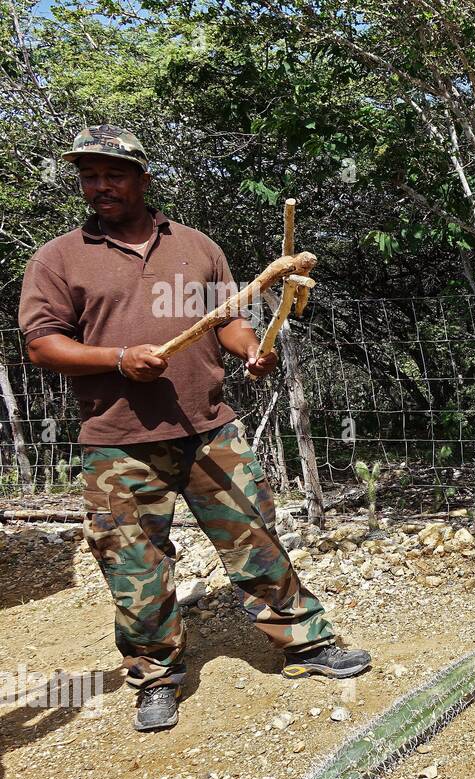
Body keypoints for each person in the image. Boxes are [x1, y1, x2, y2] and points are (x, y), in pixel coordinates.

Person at [17, 124, 371, 732]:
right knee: (133, 566)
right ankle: (155, 676)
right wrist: (118, 360)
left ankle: (305, 644)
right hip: (116, 442)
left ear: (143, 179)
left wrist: (252, 349)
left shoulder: (195, 247)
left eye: (113, 174)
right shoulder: (59, 258)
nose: (99, 186)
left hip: (209, 429)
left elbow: (227, 319)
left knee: (254, 536)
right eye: (89, 176)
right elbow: (42, 344)